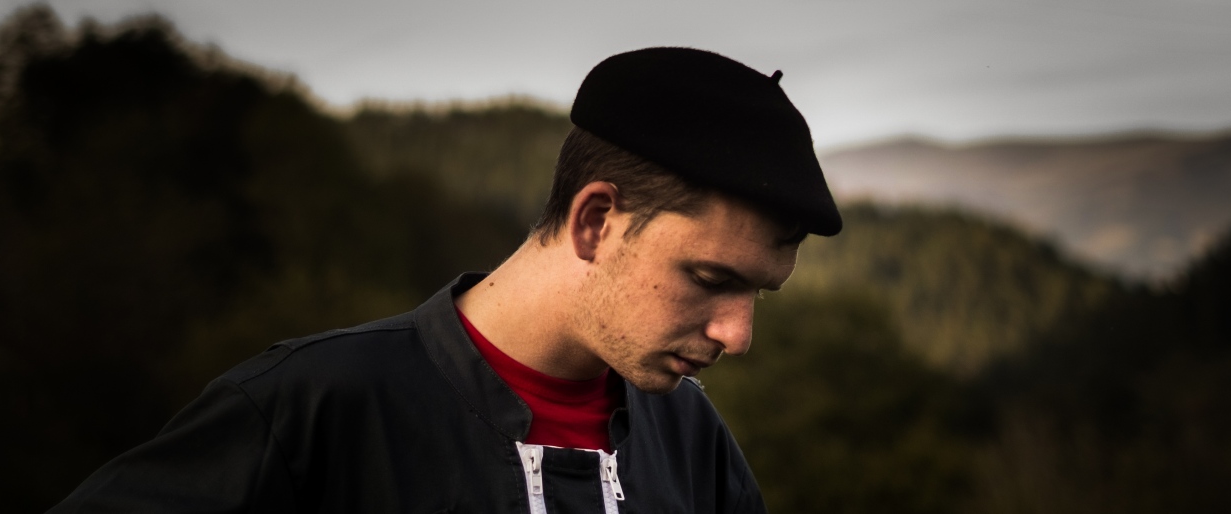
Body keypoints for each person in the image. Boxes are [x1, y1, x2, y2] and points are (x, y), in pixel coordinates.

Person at [49, 46, 843, 514]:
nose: (737, 336)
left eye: (757, 296)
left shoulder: (692, 444)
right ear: (596, 221)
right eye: (709, 278)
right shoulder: (310, 409)